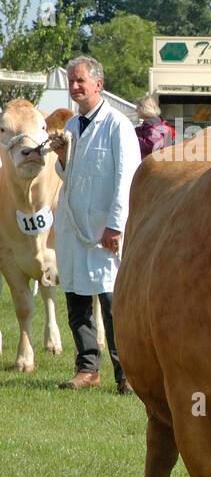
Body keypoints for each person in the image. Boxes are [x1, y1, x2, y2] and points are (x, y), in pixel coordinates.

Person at [48, 56, 141, 393]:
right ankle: (87, 368)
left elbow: (126, 179)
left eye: (80, 81)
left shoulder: (119, 125)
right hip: (74, 225)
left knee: (113, 302)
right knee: (76, 297)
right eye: (72, 80)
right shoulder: (72, 126)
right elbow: (67, 176)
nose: (74, 86)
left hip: (104, 229)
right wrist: (61, 157)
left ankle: (126, 372)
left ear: (98, 84)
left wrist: (116, 225)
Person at [134, 93, 174, 159]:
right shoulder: (155, 124)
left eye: (138, 108)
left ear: (144, 109)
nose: (136, 110)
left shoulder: (153, 126)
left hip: (153, 165)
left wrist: (134, 138)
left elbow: (153, 146)